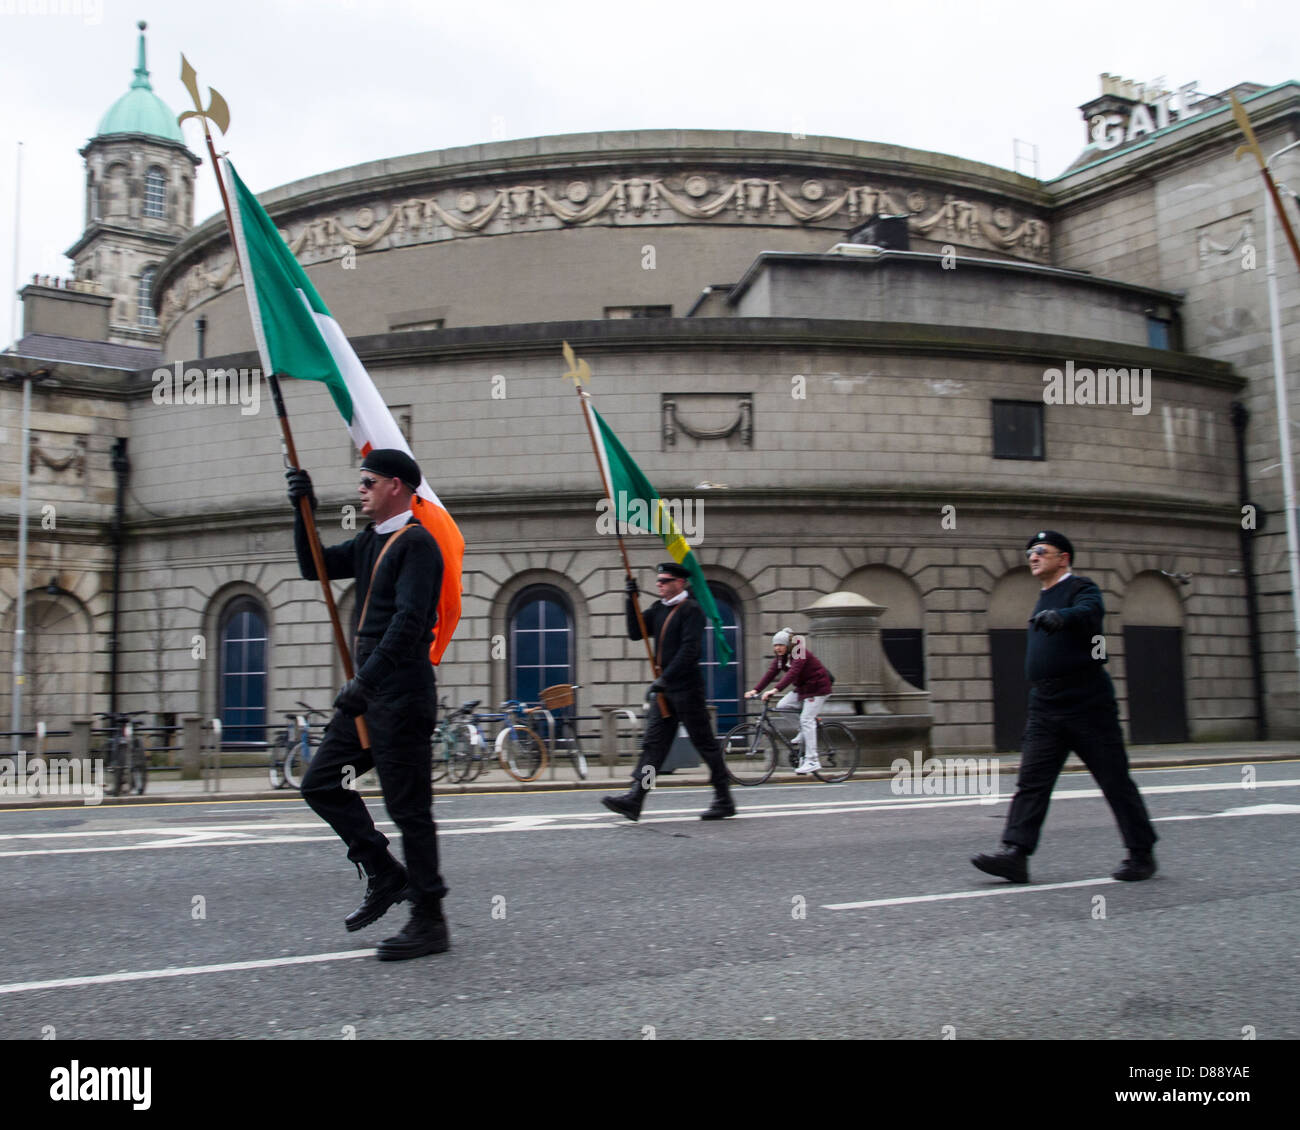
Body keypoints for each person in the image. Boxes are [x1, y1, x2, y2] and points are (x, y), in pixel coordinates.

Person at [286, 449, 450, 961]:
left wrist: (366, 681)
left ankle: (430, 920)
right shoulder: (368, 542)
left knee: (410, 812)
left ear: (396, 486)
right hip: (367, 698)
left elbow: (407, 624)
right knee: (320, 784)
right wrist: (302, 509)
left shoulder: (418, 545)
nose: (361, 488)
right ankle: (384, 873)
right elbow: (313, 566)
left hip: (400, 696)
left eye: (369, 481)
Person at [972, 529, 1158, 884]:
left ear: (1063, 558)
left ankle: (1141, 853)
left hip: (1087, 702)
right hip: (1045, 704)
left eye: (1041, 550)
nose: (1033, 556)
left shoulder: (1081, 588)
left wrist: (1064, 617)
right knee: (1032, 781)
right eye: (1029, 552)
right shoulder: (1041, 597)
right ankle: (1016, 854)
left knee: (1114, 780)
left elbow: (1091, 612)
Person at [601, 562, 737, 822]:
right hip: (665, 692)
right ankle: (636, 798)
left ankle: (724, 798)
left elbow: (689, 652)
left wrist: (663, 680)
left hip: (687, 690)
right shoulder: (658, 610)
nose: (659, 584)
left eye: (665, 580)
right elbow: (635, 632)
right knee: (654, 748)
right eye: (658, 580)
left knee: (705, 745)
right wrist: (631, 599)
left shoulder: (692, 611)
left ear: (680, 583)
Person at [746, 628, 833, 773]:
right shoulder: (781, 658)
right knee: (782, 705)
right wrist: (755, 690)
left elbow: (793, 673)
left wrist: (775, 690)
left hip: (818, 687)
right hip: (803, 688)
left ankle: (812, 761)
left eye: (780, 645)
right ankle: (802, 731)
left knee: (806, 719)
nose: (777, 648)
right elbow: (770, 673)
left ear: (788, 645)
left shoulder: (799, 652)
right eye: (775, 645)